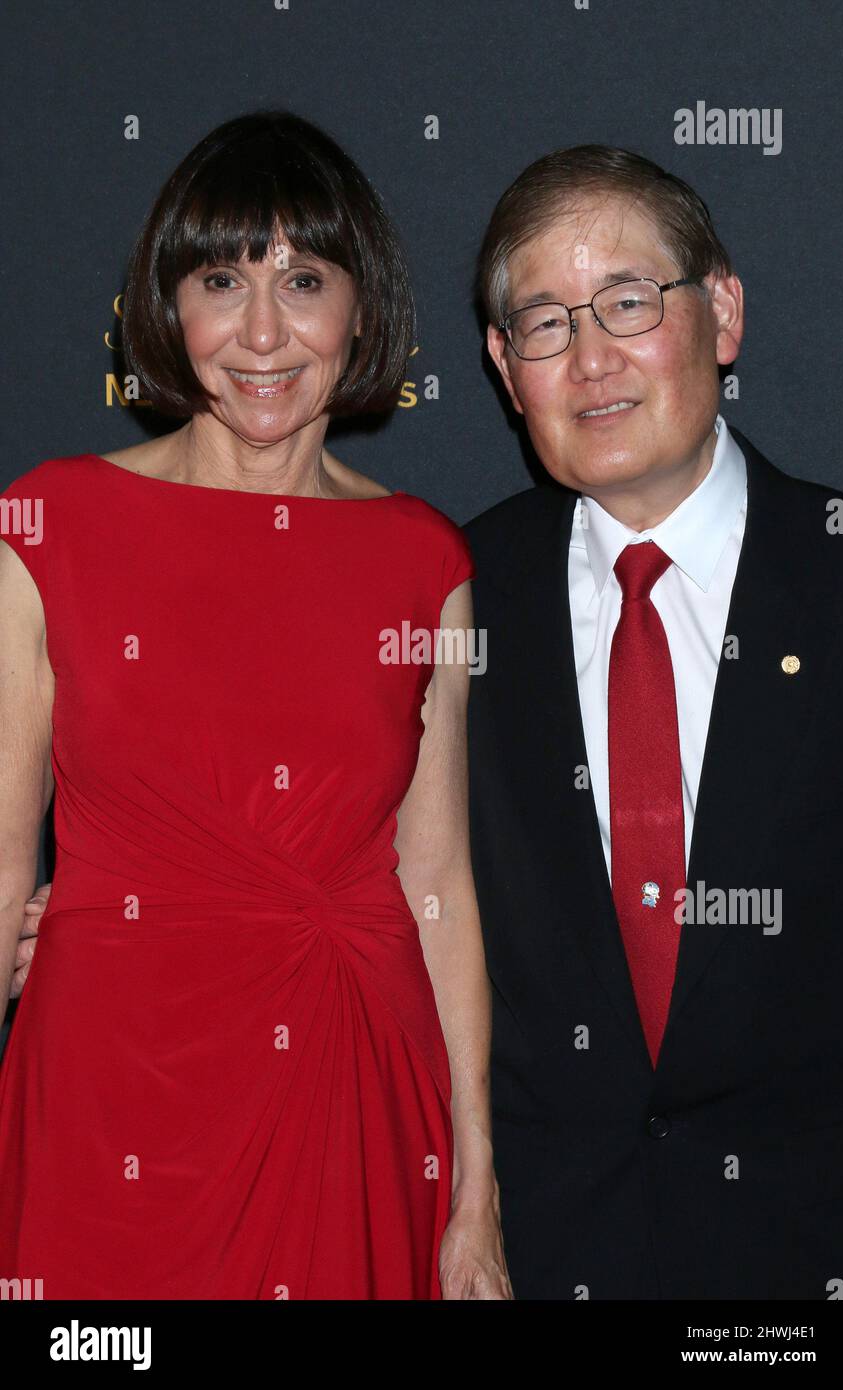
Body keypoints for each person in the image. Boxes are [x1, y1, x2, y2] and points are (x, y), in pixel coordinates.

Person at [0, 110, 511, 1300]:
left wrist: (474, 1193)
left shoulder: (423, 560)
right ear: (167, 310)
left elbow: (436, 882)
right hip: (107, 1088)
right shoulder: (47, 527)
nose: (264, 329)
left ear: (361, 309)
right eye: (222, 278)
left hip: (347, 1084)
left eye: (305, 278)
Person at [461, 145, 843, 1299]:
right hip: (543, 1254)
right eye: (543, 323)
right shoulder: (448, 596)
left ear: (721, 313)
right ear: (501, 366)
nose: (590, 360)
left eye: (628, 303)